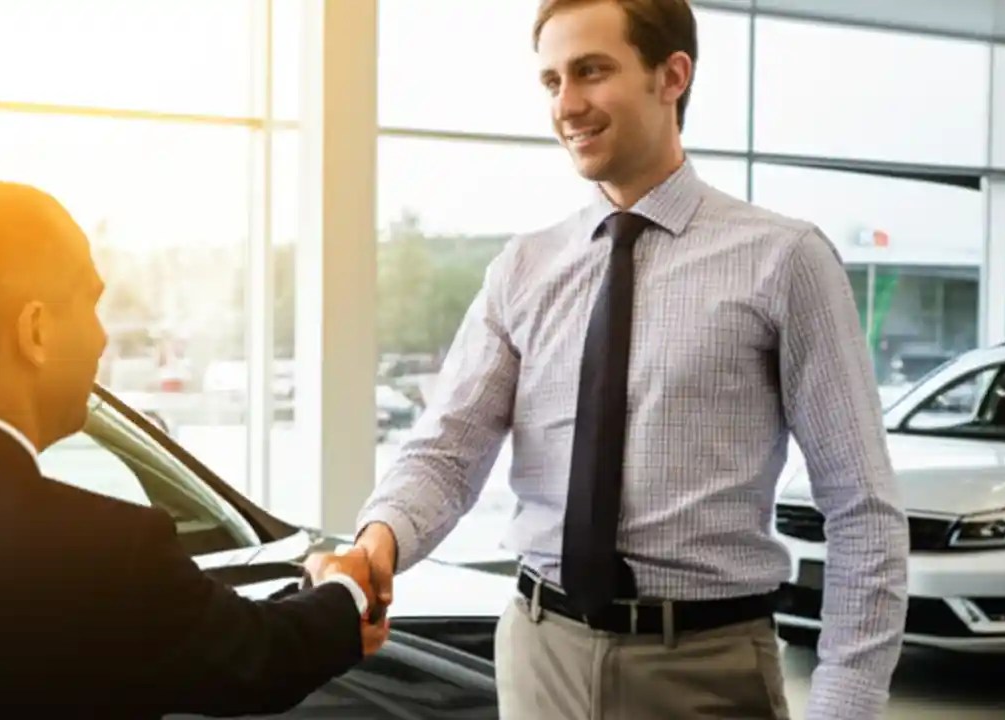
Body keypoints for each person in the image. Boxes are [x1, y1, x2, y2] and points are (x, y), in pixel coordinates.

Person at [354, 0, 909, 718]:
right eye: (552, 81)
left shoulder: (784, 260)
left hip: (703, 669)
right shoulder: (524, 267)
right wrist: (376, 544)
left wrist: (846, 705)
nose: (567, 105)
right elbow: (446, 453)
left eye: (591, 72)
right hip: (538, 654)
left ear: (671, 75)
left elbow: (862, 509)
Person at [0, 180, 389, 719]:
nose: (102, 335)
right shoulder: (102, 551)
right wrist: (342, 588)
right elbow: (262, 657)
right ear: (34, 331)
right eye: (89, 303)